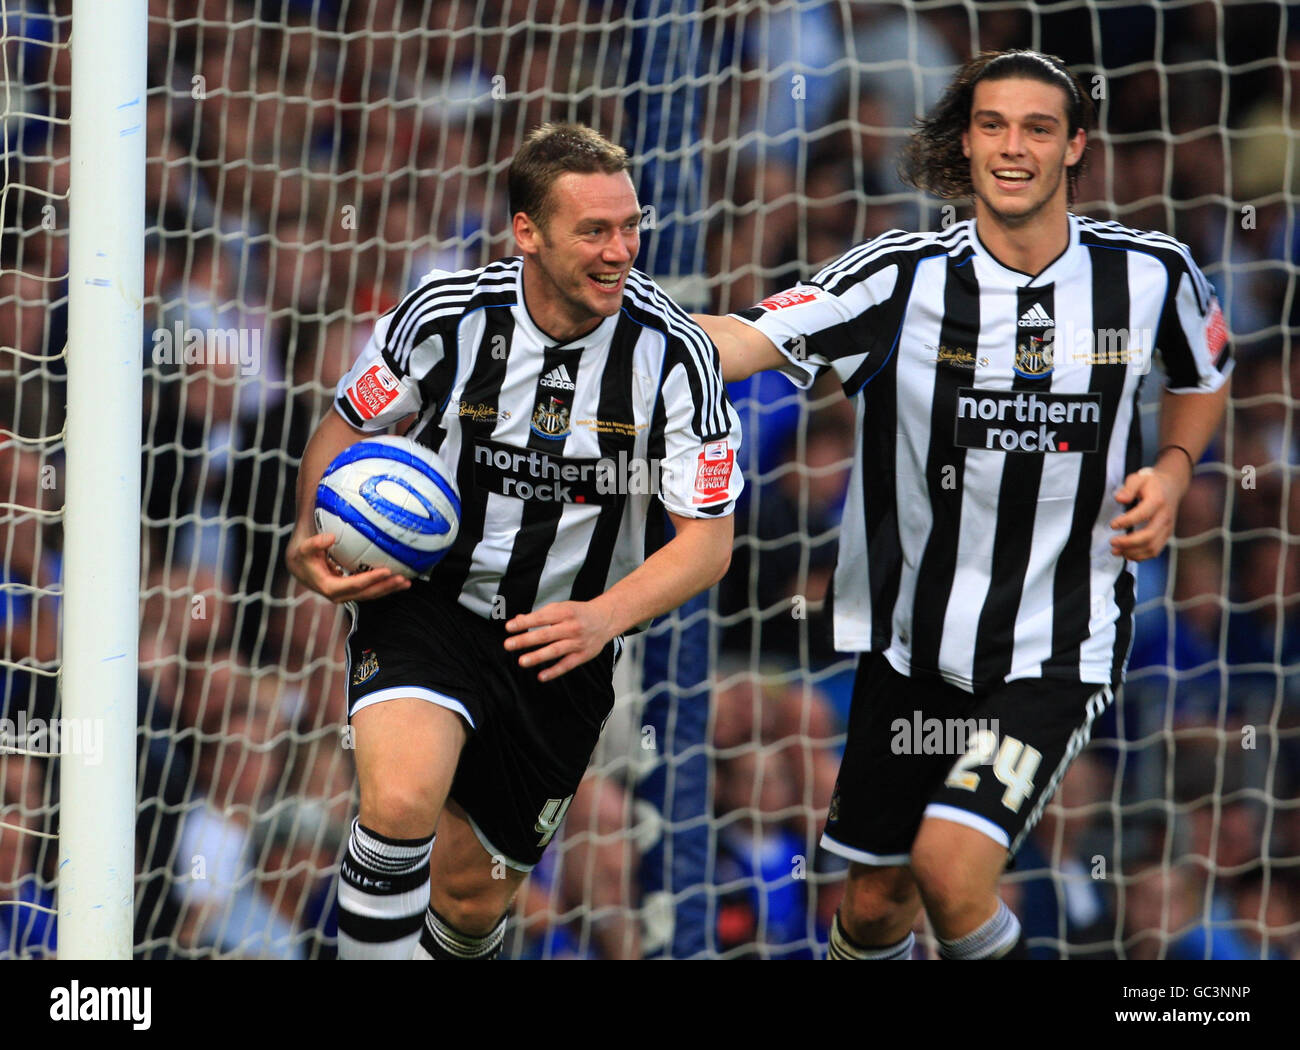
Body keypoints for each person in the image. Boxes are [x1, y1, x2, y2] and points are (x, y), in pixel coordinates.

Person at [697, 49, 1231, 961]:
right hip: (909, 645)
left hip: (1056, 643)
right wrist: (613, 328)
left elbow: (1205, 370)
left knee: (949, 870)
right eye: (993, 126)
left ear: (1075, 147)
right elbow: (742, 339)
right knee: (875, 904)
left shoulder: (1151, 274)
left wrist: (1175, 472)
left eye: (1037, 128)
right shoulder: (899, 277)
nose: (1013, 146)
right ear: (968, 143)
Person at [285, 123, 741, 960]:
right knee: (400, 806)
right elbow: (345, 428)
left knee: (469, 899)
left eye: (630, 227)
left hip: (565, 643)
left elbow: (707, 544)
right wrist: (307, 532)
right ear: (527, 232)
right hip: (430, 604)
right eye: (594, 231)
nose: (619, 251)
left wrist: (602, 618)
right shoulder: (445, 315)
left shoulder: (674, 354)